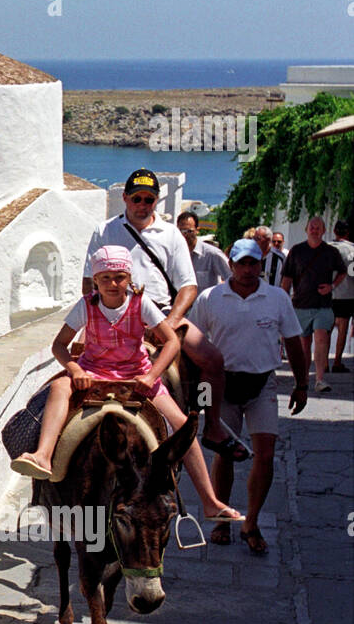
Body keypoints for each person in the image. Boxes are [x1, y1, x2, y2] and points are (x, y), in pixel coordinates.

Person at [13, 247, 244, 524]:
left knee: (184, 427)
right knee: (59, 389)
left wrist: (151, 375)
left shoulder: (140, 304)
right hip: (94, 372)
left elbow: (171, 341)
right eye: (106, 277)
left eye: (119, 277)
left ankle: (209, 500)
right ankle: (44, 455)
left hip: (136, 375)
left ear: (129, 278)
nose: (113, 284)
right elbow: (59, 345)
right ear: (95, 280)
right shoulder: (86, 306)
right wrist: (74, 369)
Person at [83, 169, 245, 460]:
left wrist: (169, 322)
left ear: (156, 201)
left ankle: (212, 424)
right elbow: (88, 281)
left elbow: (188, 286)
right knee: (76, 368)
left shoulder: (170, 234)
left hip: (161, 313)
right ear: (125, 199)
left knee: (212, 360)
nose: (142, 205)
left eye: (149, 199)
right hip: (112, 312)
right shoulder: (105, 231)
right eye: (137, 198)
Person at [189, 239, 309, 554]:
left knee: (265, 455)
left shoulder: (277, 298)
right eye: (241, 263)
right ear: (230, 264)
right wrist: (197, 395)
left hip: (262, 384)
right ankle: (222, 517)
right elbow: (192, 343)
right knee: (223, 454)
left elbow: (294, 342)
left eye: (253, 263)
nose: (247, 270)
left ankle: (251, 522)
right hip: (222, 386)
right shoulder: (211, 298)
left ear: (261, 263)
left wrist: (302, 384)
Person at [280, 217, 347, 394]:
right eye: (312, 227)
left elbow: (342, 271)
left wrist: (332, 286)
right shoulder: (296, 251)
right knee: (304, 343)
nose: (315, 230)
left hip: (323, 305)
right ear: (306, 229)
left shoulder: (330, 252)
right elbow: (287, 278)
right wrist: (282, 301)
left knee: (321, 337)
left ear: (324, 231)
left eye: (318, 228)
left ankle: (319, 378)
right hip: (301, 304)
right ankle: (302, 379)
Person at [177, 211, 230, 291]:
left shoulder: (212, 254)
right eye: (181, 231)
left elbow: (231, 278)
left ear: (197, 230)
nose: (184, 235)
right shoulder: (175, 254)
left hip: (207, 302)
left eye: (189, 231)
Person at [329, 219, 354, 373]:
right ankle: (337, 361)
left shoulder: (326, 248)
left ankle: (323, 361)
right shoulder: (352, 250)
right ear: (348, 233)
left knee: (326, 327)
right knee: (343, 326)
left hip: (327, 292)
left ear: (334, 232)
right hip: (346, 293)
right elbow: (352, 272)